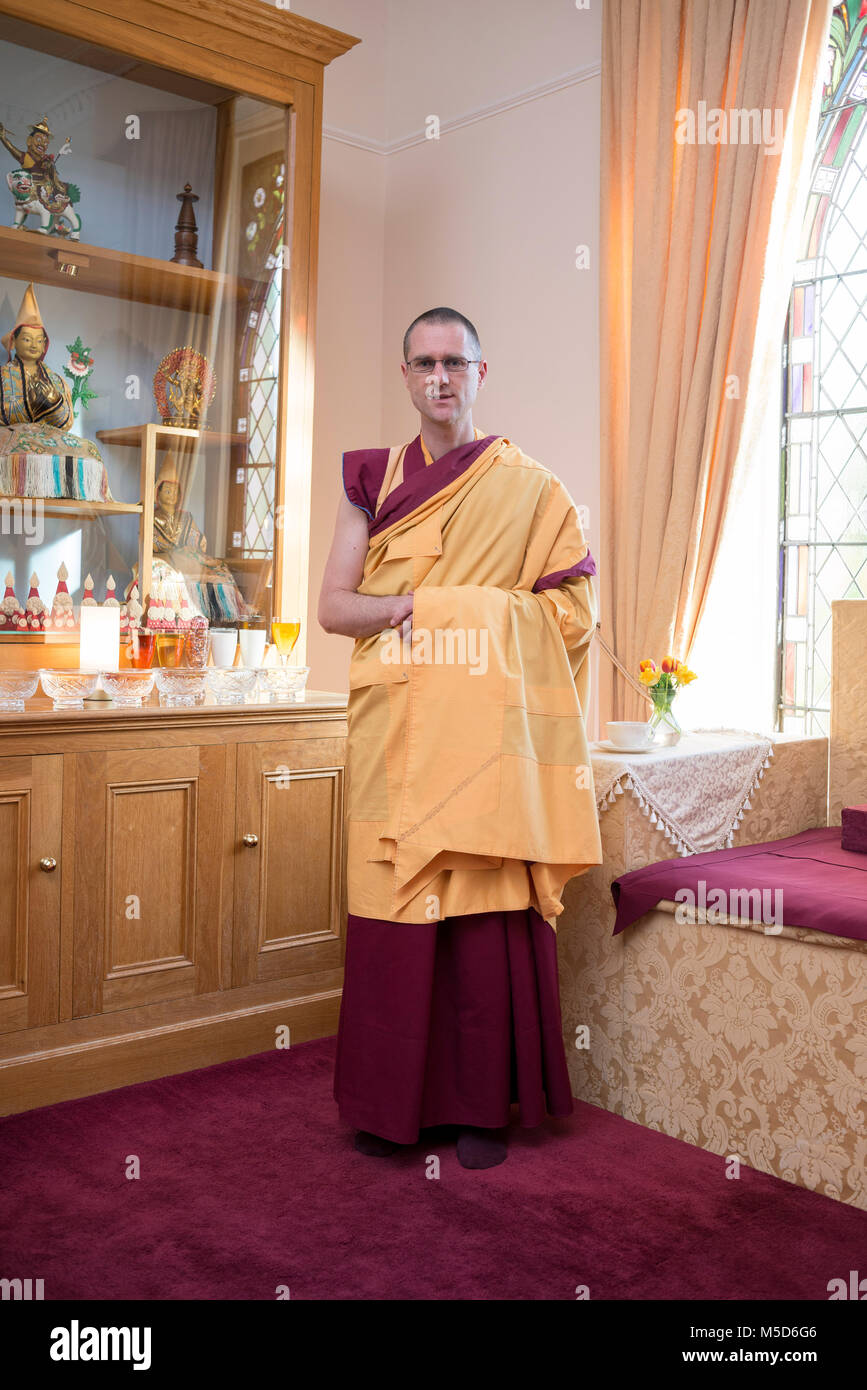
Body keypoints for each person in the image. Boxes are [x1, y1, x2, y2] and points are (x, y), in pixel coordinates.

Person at [319, 307, 602, 1169]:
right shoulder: (369, 480)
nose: (439, 378)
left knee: (479, 912)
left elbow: (573, 619)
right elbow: (335, 608)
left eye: (455, 363)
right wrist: (420, 607)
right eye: (423, 364)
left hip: (483, 745)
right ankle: (388, 1107)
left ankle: (482, 1105)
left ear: (482, 374)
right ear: (404, 376)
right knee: (392, 909)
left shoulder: (534, 491)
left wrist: (439, 614)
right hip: (394, 732)